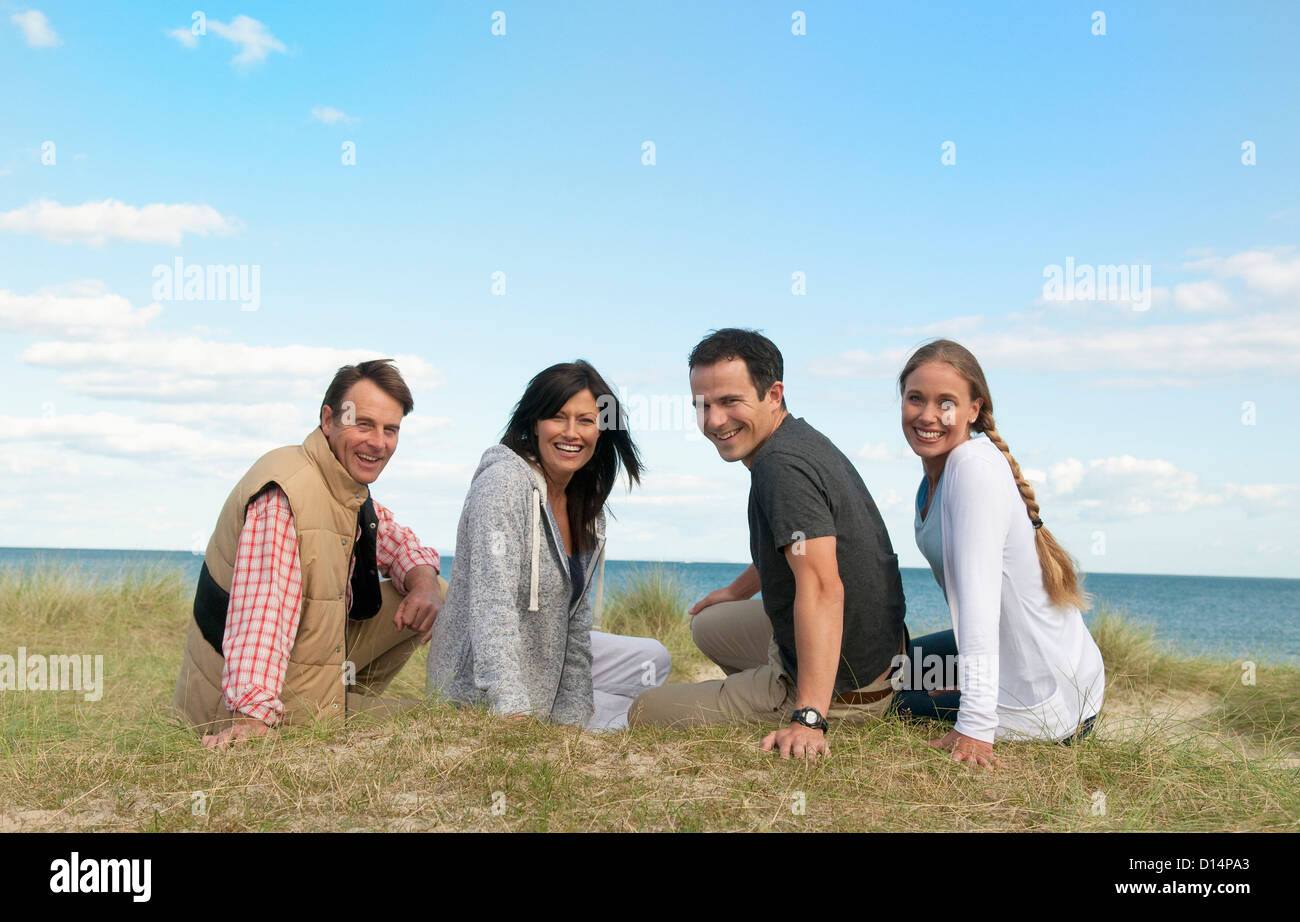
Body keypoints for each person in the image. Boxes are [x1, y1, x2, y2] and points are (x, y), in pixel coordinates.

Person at [628, 329, 907, 761]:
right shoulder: (795, 440)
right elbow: (800, 542)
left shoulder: (781, 466)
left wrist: (809, 718)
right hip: (877, 655)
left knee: (644, 711)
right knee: (709, 623)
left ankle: (789, 698)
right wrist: (735, 592)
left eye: (729, 402)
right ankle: (772, 684)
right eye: (703, 405)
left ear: (773, 394)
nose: (715, 420)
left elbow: (822, 587)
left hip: (850, 686)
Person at [174, 359, 447, 749]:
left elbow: (401, 544)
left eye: (391, 430)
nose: (379, 442)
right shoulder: (286, 492)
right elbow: (263, 614)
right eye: (364, 424)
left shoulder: (343, 486)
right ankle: (304, 721)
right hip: (238, 711)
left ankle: (345, 702)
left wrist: (424, 585)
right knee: (428, 726)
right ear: (329, 420)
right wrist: (251, 719)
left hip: (309, 680)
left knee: (436, 588)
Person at [893, 339, 1105, 769]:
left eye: (946, 402)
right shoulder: (934, 476)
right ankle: (968, 687)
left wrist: (974, 722)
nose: (928, 415)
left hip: (1049, 703)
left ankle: (982, 703)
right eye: (916, 398)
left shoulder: (972, 468)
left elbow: (979, 604)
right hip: (1035, 668)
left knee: (886, 698)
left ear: (974, 409)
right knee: (889, 670)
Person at [428, 361, 670, 730]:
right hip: (476, 694)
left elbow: (575, 627)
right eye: (558, 417)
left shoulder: (586, 510)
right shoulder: (503, 483)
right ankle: (584, 716)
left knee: (653, 659)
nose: (572, 433)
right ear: (534, 424)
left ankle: (583, 717)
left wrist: (570, 723)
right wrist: (513, 712)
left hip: (543, 669)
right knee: (632, 721)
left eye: (586, 421)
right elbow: (493, 606)